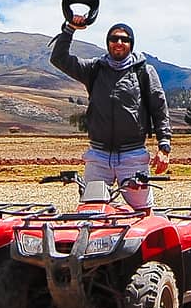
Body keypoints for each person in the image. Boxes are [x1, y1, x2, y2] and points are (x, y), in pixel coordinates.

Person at [50, 19, 171, 209]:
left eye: (125, 39)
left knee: (142, 211)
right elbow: (59, 59)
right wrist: (70, 29)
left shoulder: (144, 71)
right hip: (98, 155)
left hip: (133, 154)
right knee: (91, 212)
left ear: (131, 43)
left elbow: (159, 109)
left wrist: (164, 146)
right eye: (114, 38)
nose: (119, 43)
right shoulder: (94, 68)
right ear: (108, 42)